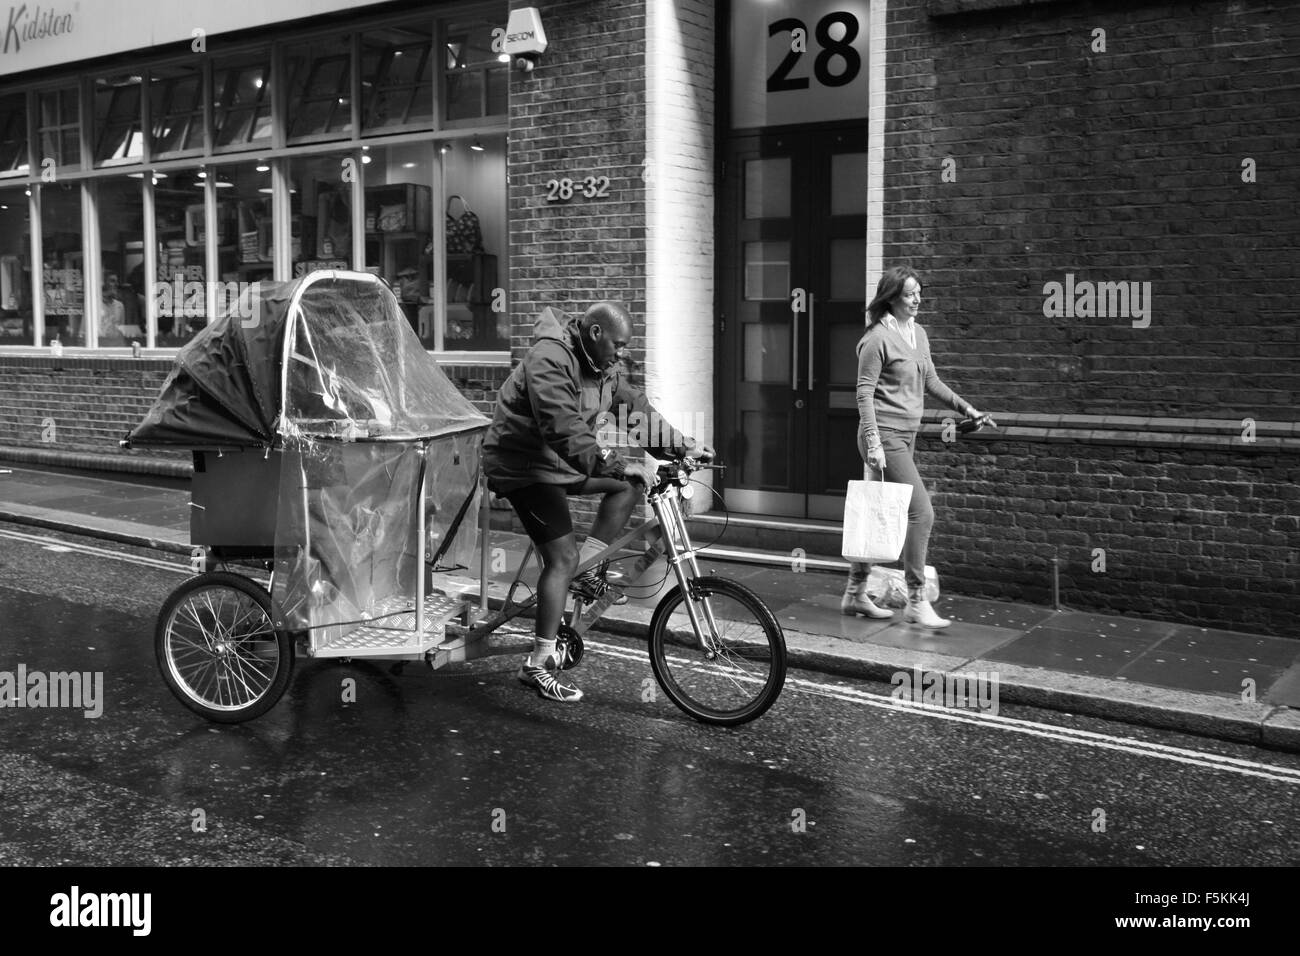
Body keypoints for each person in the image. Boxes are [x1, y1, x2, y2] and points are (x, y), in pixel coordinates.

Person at [483, 301, 714, 702]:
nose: (622, 353)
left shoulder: (603, 369)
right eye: (619, 345)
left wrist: (683, 447)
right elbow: (562, 426)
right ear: (595, 334)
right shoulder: (550, 358)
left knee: (624, 488)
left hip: (559, 464)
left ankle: (588, 573)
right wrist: (615, 463)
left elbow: (637, 411)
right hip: (522, 467)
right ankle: (537, 664)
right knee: (562, 558)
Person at [844, 266, 996, 629]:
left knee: (880, 512)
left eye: (919, 293)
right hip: (883, 436)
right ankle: (915, 598)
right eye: (910, 294)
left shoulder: (918, 334)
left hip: (906, 435)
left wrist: (968, 409)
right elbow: (864, 393)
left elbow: (931, 381)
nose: (917, 300)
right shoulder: (876, 339)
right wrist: (875, 442)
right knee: (921, 513)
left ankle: (855, 592)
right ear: (891, 297)